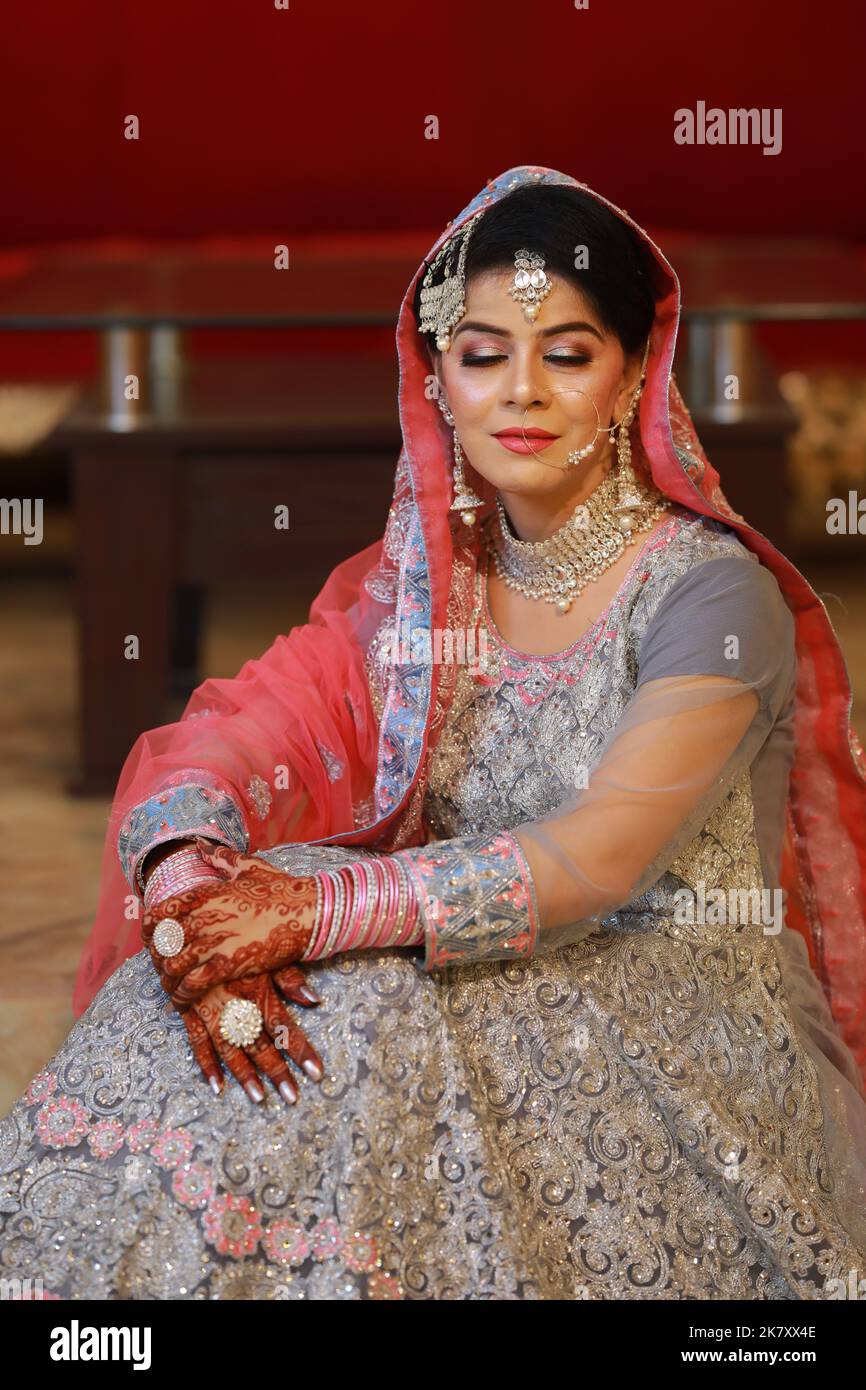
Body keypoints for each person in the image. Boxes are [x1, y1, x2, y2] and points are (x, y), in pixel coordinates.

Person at [2, 165, 866, 1302]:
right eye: (480, 352)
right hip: (451, 967)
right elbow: (237, 730)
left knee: (331, 955)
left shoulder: (707, 597)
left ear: (629, 375)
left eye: (565, 352)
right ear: (437, 377)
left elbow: (599, 856)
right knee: (272, 980)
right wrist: (188, 904)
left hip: (649, 1009)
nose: (522, 391)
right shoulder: (416, 595)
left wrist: (310, 910)